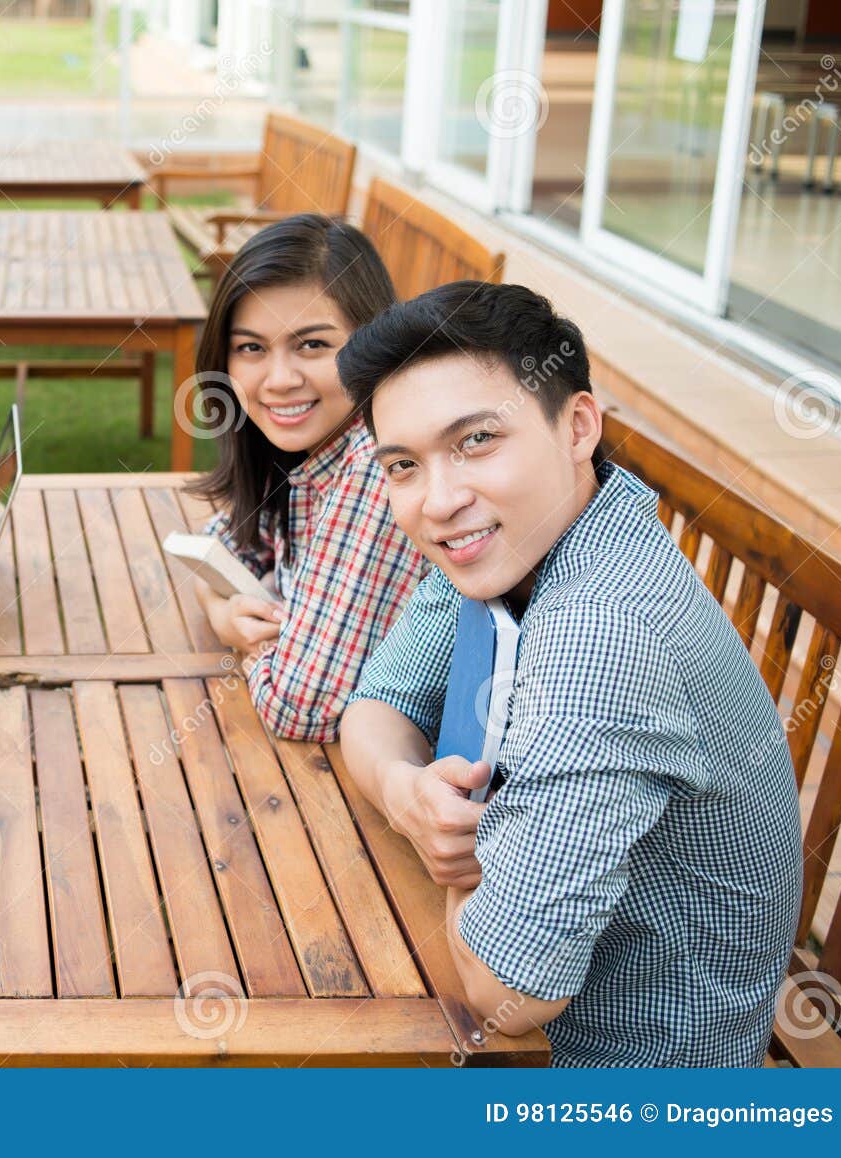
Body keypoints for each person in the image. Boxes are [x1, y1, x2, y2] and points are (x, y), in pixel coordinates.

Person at [336, 280, 801, 1066]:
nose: (440, 500)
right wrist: (408, 797)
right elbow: (374, 705)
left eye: (477, 440)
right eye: (403, 465)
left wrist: (469, 842)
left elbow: (508, 992)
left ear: (578, 425)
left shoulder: (602, 632)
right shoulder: (511, 544)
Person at [188, 214, 426, 741]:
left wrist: (249, 638)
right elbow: (221, 548)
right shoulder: (306, 448)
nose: (279, 380)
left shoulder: (377, 467)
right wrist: (225, 613)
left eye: (313, 345)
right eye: (251, 348)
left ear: (373, 343)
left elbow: (299, 706)